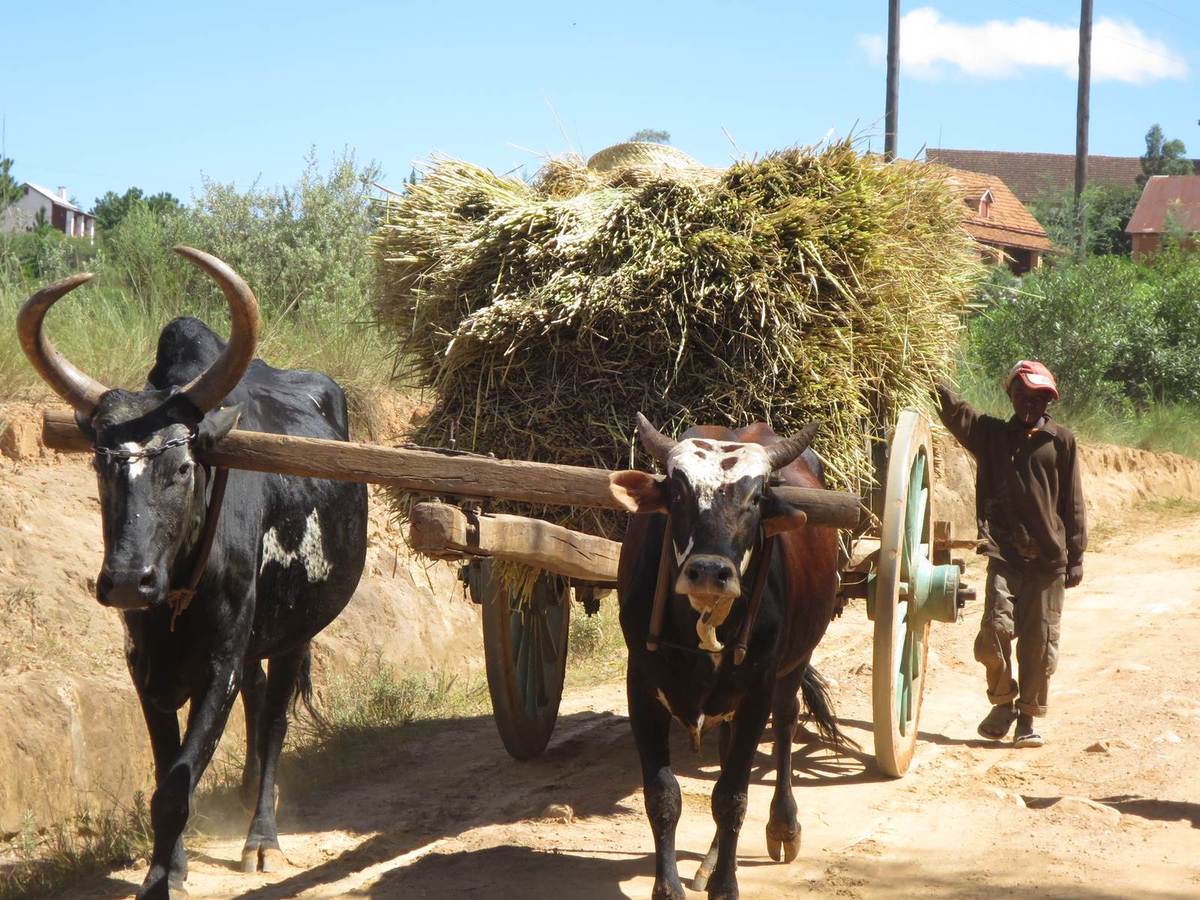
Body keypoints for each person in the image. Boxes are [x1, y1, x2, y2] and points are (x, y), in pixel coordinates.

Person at [932, 360, 1086, 748]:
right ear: (1010, 396)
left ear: (1048, 399)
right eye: (1020, 395)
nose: (1027, 403)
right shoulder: (992, 436)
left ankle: (1028, 719)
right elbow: (958, 413)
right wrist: (931, 377)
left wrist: (1076, 554)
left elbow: (1073, 502)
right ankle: (1003, 703)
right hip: (1005, 554)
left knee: (1039, 642)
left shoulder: (1062, 441)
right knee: (995, 632)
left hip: (1049, 560)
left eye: (1036, 397)